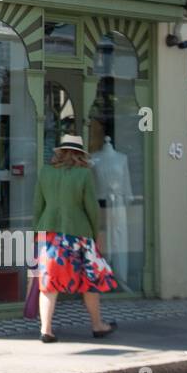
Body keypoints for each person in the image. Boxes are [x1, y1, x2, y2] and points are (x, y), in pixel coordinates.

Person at [33, 134, 118, 343]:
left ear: (60, 152)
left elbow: (37, 205)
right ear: (80, 154)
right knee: (89, 282)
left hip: (49, 235)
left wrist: (37, 232)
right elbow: (92, 208)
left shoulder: (45, 172)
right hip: (78, 235)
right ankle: (98, 325)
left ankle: (46, 329)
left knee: (48, 282)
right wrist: (95, 234)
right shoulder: (83, 175)